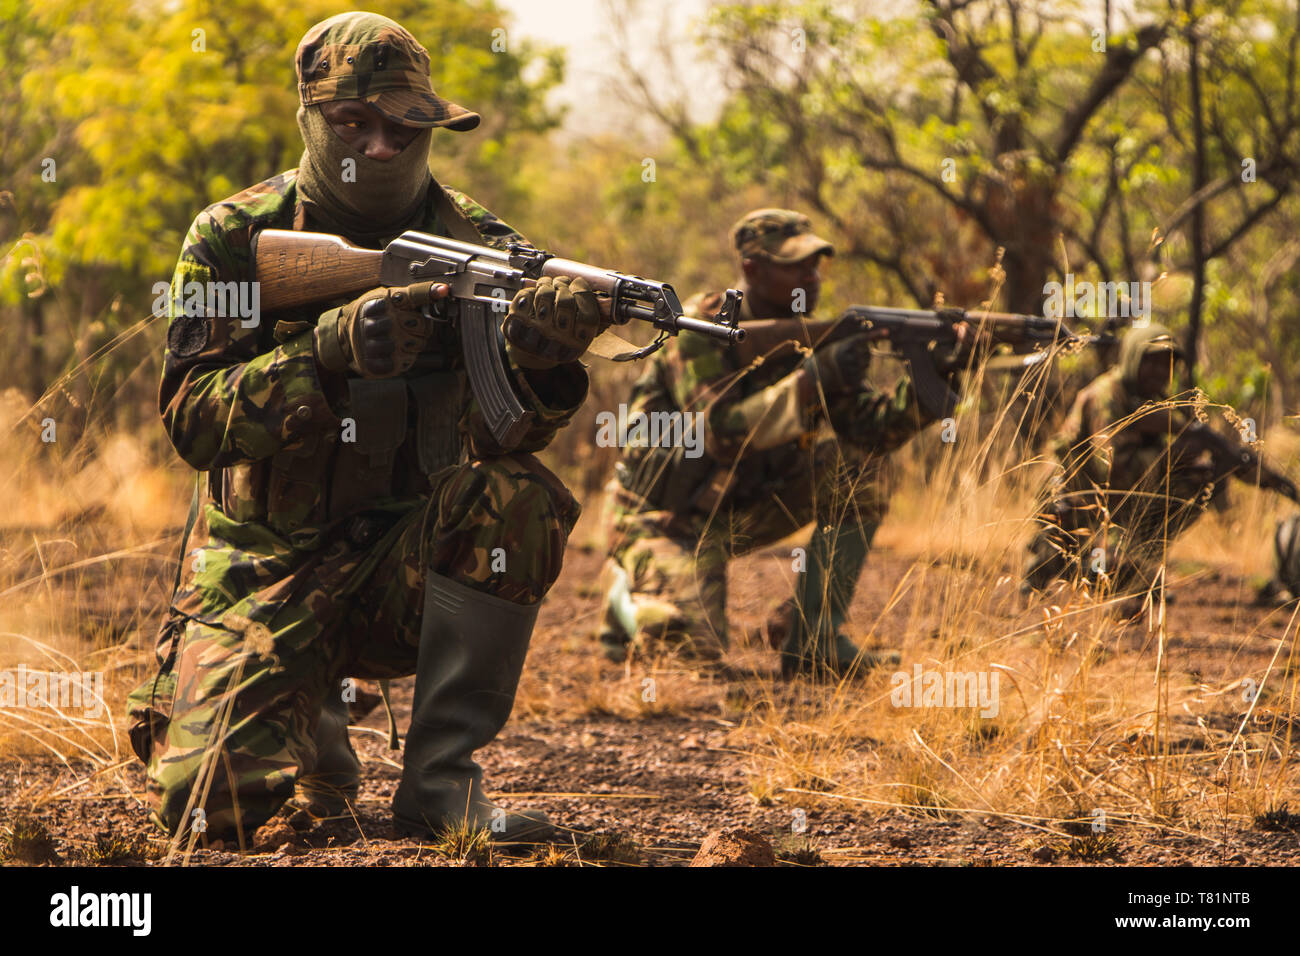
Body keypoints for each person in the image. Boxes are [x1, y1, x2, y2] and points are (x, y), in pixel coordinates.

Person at [126, 11, 606, 845]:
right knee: (208, 808)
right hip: (263, 566)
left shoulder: (483, 245)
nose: (382, 147)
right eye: (356, 124)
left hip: (405, 568)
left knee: (519, 498)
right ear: (311, 118)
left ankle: (440, 786)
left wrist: (548, 357)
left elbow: (513, 436)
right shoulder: (234, 240)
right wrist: (324, 354)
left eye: (405, 125)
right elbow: (193, 423)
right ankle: (314, 731)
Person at [596, 209, 965, 678]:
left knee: (859, 468)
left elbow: (872, 432)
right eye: (795, 266)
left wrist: (940, 375)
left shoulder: (814, 341)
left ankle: (814, 641)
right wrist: (814, 379)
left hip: (739, 509)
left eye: (815, 266)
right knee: (688, 653)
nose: (811, 278)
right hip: (663, 518)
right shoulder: (697, 332)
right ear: (751, 269)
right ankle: (626, 598)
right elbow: (721, 433)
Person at [1023, 324, 1215, 604]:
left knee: (1191, 485)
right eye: (1151, 363)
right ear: (1132, 359)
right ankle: (1057, 558)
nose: (1160, 373)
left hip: (1110, 500)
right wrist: (1172, 458)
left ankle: (1132, 567)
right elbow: (1112, 468)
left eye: (1167, 366)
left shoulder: (1148, 401)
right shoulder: (1106, 396)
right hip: (1073, 496)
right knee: (1079, 549)